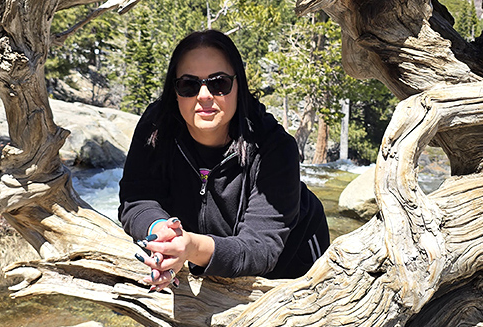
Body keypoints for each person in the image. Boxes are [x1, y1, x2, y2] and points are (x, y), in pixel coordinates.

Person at [119, 29, 330, 289]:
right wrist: (161, 233)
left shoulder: (275, 147)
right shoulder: (156, 127)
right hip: (204, 254)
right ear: (174, 91)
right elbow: (137, 198)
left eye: (219, 83)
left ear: (238, 84)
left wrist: (191, 247)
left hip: (290, 260)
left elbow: (260, 248)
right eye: (189, 84)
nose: (204, 95)